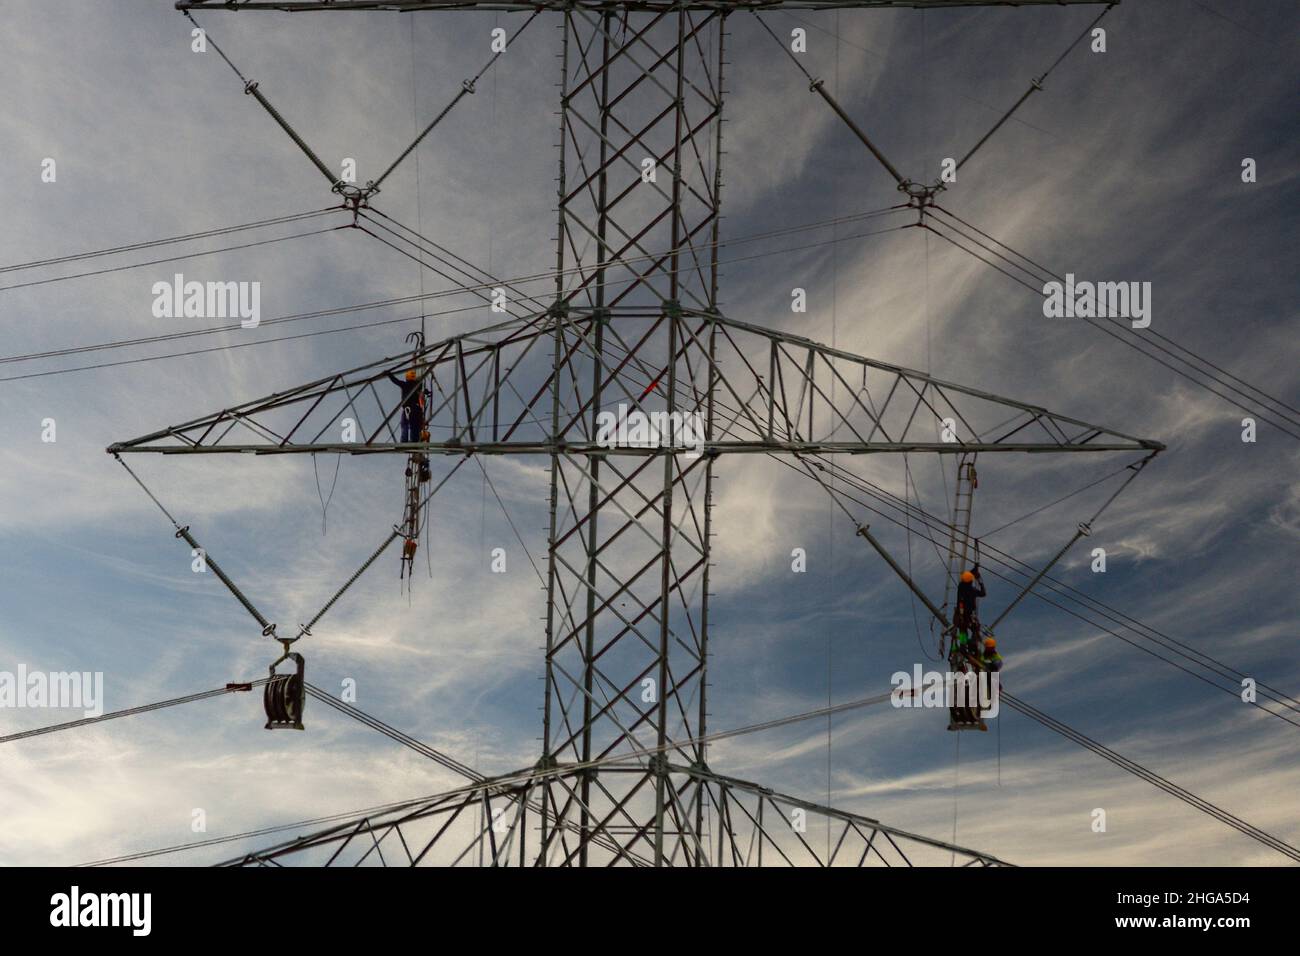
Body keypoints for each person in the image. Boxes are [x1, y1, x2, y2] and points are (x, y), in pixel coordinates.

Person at [387, 368, 425, 443]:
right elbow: (420, 389)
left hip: (408, 409)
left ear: (407, 378)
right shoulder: (418, 386)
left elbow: (396, 381)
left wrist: (389, 374)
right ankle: (414, 441)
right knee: (415, 425)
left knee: (405, 424)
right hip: (417, 409)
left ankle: (404, 440)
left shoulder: (405, 384)